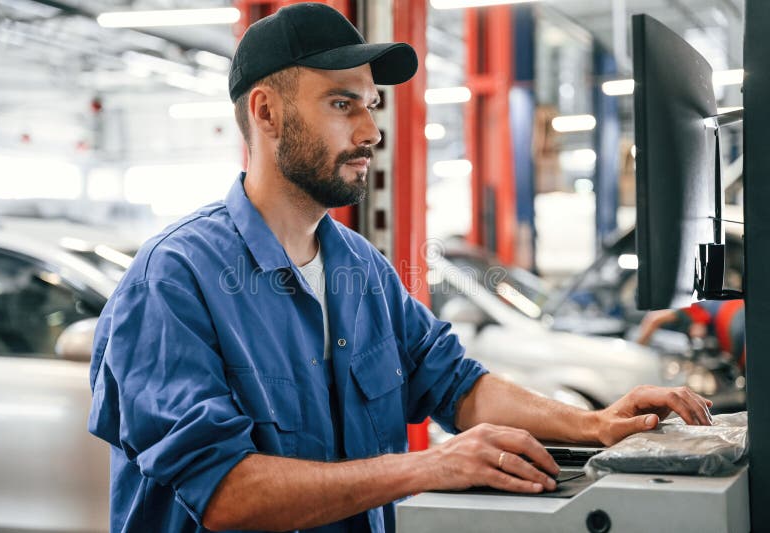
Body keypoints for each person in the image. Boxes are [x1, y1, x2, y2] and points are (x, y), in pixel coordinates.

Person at [88, 4, 713, 532]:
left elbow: (456, 386)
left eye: (371, 105)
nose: (370, 130)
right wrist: (431, 466)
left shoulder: (362, 269)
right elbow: (223, 493)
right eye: (342, 104)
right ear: (267, 113)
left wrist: (594, 424)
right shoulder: (173, 281)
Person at [637, 299, 746, 370]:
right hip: (739, 310)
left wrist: (638, 349)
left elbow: (653, 319)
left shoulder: (679, 306)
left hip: (731, 321)